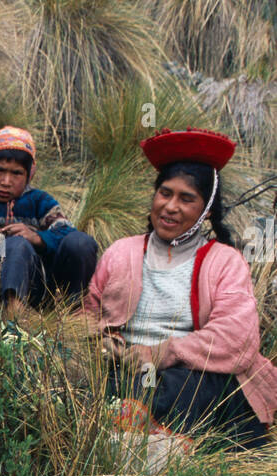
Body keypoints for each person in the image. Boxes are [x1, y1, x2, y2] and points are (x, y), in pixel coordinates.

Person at [84, 127, 277, 449]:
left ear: (206, 211)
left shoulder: (225, 261)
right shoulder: (121, 251)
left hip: (190, 376)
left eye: (186, 199)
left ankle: (144, 429)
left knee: (190, 384)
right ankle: (145, 425)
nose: (170, 206)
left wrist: (163, 352)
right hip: (126, 372)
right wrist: (105, 341)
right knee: (76, 374)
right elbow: (88, 312)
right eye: (165, 193)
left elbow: (238, 339)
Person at [0, 126, 98, 310]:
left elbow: (66, 231)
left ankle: (75, 310)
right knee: (15, 244)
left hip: (43, 284)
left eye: (16, 173)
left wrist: (37, 238)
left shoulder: (39, 201)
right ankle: (14, 318)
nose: (6, 181)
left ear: (30, 175)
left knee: (80, 242)